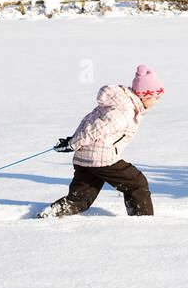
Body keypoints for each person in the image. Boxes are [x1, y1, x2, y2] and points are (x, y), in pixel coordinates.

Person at [38, 65, 164, 218]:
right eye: (155, 97)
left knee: (80, 200)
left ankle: (49, 215)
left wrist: (74, 141)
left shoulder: (121, 104)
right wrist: (73, 143)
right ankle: (143, 221)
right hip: (101, 158)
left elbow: (89, 123)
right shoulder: (125, 110)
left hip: (87, 156)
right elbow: (95, 129)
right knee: (136, 183)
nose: (157, 101)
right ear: (144, 95)